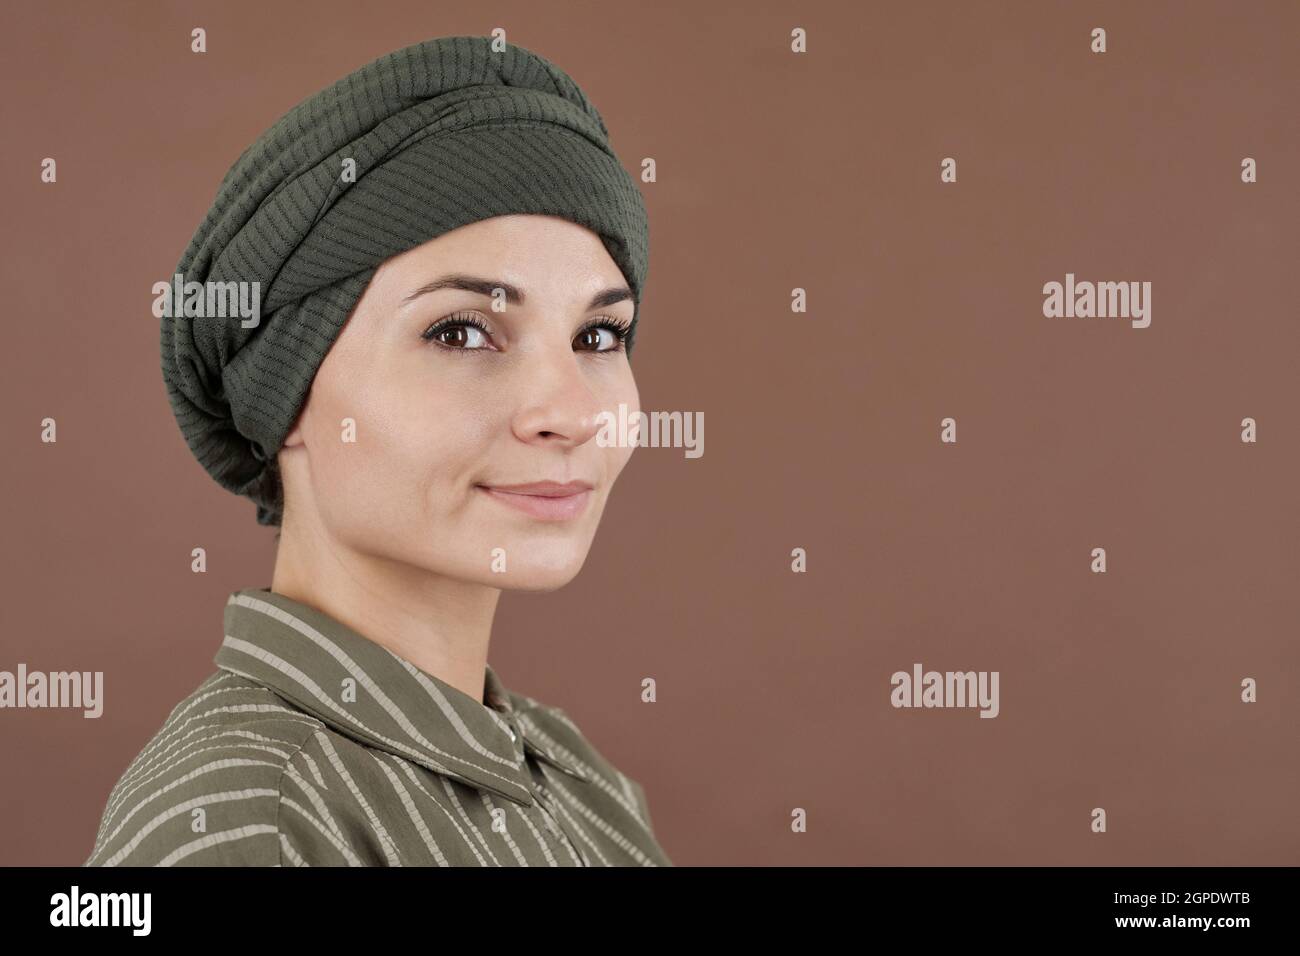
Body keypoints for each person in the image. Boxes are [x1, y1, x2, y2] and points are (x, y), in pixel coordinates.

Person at [84, 34, 670, 866]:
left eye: (599, 334)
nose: (571, 412)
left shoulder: (579, 783)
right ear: (284, 396)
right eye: (462, 331)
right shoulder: (250, 829)